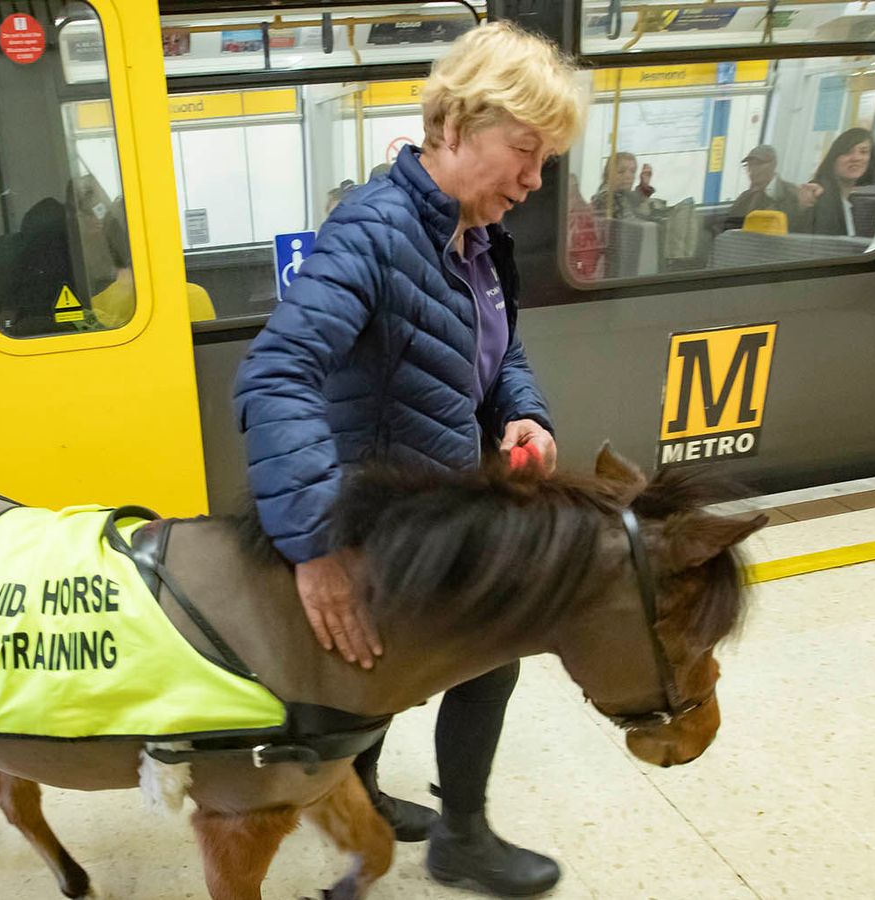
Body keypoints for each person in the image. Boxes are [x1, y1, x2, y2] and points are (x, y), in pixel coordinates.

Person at [233, 21, 580, 897]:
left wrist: (523, 415)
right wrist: (315, 547)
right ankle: (452, 833)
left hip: (438, 493)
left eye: (546, 161)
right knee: (484, 653)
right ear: (456, 126)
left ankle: (377, 803)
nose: (536, 181)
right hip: (375, 512)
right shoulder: (377, 231)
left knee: (420, 665)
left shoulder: (472, 235)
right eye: (526, 152)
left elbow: (495, 353)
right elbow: (277, 372)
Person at [793, 127, 875, 236]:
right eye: (847, 152)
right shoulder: (818, 193)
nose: (856, 157)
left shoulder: (851, 201)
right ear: (833, 158)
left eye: (863, 152)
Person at [723, 144, 811, 231]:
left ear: (773, 165)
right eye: (749, 165)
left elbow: (796, 228)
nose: (753, 170)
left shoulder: (793, 194)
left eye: (758, 164)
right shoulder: (745, 197)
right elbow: (729, 225)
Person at [592, 150, 655, 219]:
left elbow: (635, 200)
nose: (628, 176)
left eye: (632, 171)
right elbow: (631, 223)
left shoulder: (621, 194)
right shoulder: (606, 198)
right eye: (621, 172)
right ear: (608, 175)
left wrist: (644, 185)